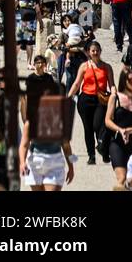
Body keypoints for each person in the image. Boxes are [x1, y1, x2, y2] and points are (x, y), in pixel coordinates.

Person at [19, 58, 73, 191]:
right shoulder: (31, 121)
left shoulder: (59, 120)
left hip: (55, 162)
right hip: (35, 161)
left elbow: (66, 145)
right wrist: (22, 162)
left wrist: (71, 165)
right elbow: (24, 144)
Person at [66, 39, 114, 166]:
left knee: (98, 125)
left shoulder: (107, 67)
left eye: (97, 50)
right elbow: (77, 83)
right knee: (88, 129)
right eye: (93, 51)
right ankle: (91, 155)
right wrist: (68, 97)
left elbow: (112, 84)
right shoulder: (84, 66)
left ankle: (103, 148)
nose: (95, 53)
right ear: (88, 52)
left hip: (101, 100)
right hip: (85, 100)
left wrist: (115, 94)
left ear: (101, 51)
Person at [104, 66, 132, 188]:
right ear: (124, 81)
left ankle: (128, 187)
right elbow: (107, 120)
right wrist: (121, 130)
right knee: (121, 178)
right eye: (130, 80)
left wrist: (130, 130)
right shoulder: (115, 97)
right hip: (118, 143)